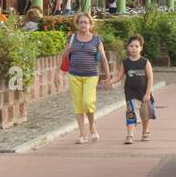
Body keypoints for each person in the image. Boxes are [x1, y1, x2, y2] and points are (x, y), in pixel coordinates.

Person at [63, 11, 111, 144]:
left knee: (88, 103)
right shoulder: (72, 38)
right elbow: (64, 55)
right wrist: (56, 74)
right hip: (74, 75)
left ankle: (92, 126)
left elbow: (103, 59)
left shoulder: (96, 40)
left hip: (91, 75)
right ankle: (82, 134)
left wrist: (108, 77)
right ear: (77, 24)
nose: (83, 25)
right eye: (80, 22)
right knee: (78, 105)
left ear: (90, 24)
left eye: (85, 22)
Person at [112, 34, 155, 145]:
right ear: (128, 47)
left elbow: (150, 78)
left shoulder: (145, 62)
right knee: (130, 112)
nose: (134, 48)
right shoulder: (125, 62)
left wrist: (148, 93)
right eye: (131, 46)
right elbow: (119, 77)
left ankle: (145, 131)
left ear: (141, 48)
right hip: (130, 92)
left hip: (144, 92)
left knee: (145, 114)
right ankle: (130, 135)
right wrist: (109, 82)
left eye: (136, 46)